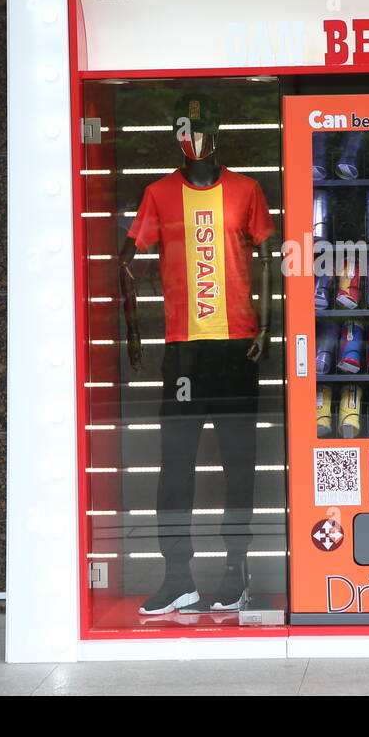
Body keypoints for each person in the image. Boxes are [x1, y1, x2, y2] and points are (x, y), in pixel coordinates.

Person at [117, 92, 276, 615]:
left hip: (236, 348)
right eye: (187, 128)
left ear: (218, 133)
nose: (196, 138)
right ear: (177, 135)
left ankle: (236, 571)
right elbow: (126, 261)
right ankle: (178, 576)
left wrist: (267, 327)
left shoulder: (246, 190)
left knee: (239, 463)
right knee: (175, 466)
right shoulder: (159, 195)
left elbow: (268, 257)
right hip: (184, 352)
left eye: (204, 127)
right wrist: (134, 331)